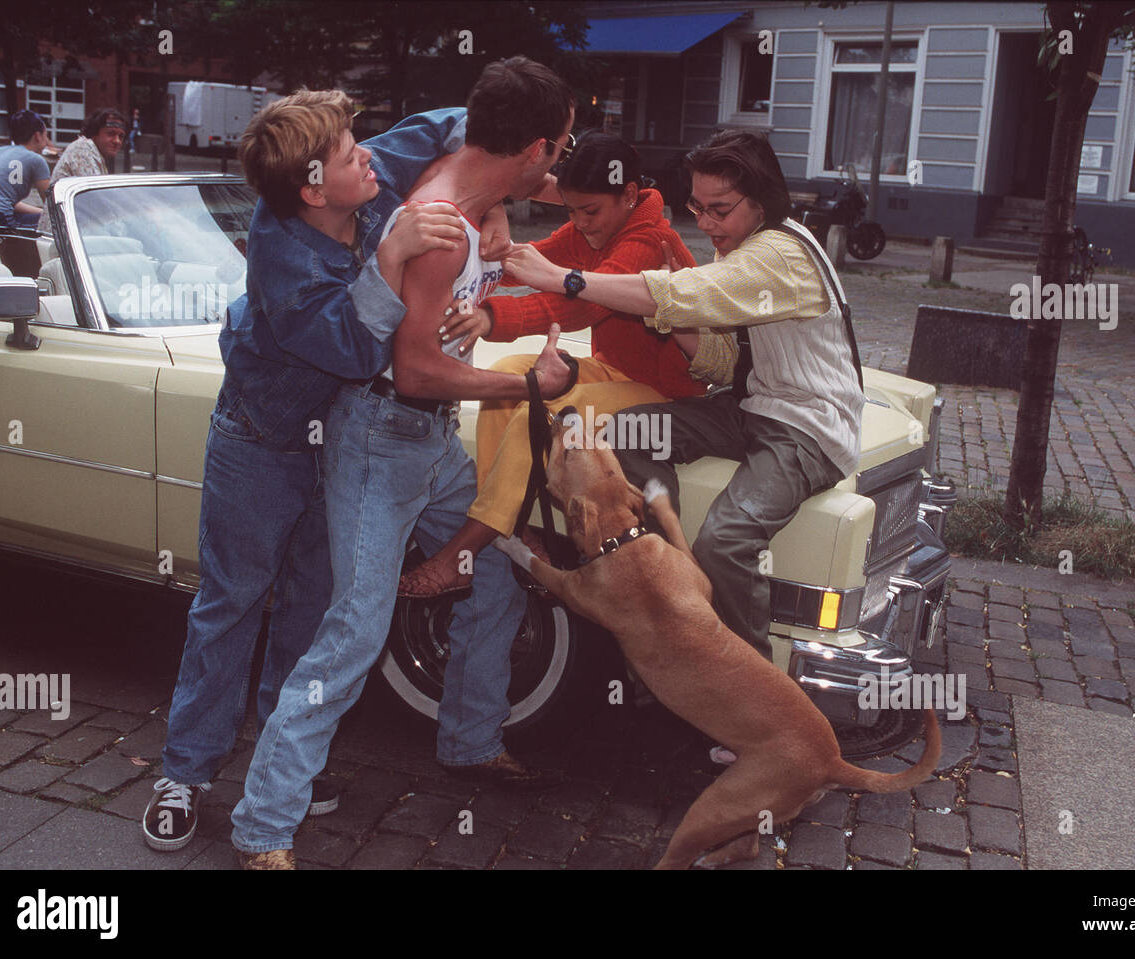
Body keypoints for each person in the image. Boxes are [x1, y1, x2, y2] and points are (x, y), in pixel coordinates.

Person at [229, 57, 577, 870]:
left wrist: (507, 218)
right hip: (383, 437)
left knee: (497, 555)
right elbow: (415, 369)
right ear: (530, 149)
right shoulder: (440, 220)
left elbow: (486, 132)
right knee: (353, 633)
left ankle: (468, 738)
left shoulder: (471, 179)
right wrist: (528, 383)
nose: (557, 168)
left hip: (425, 439)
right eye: (555, 151)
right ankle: (262, 826)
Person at [142, 89, 482, 854]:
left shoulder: (358, 174)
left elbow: (449, 124)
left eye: (361, 141)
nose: (370, 154)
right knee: (232, 604)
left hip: (342, 444)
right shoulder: (283, 256)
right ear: (311, 188)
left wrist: (496, 178)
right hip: (260, 443)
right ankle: (186, 774)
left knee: (310, 607)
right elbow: (358, 350)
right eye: (349, 152)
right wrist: (391, 254)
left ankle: (279, 762)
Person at [504, 129, 864, 656]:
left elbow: (678, 294)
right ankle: (658, 572)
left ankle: (744, 683)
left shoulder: (778, 254)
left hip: (808, 429)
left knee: (724, 542)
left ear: (760, 198)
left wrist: (567, 279)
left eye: (720, 209)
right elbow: (721, 364)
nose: (706, 223)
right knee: (625, 433)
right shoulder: (745, 252)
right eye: (697, 207)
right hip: (752, 410)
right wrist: (676, 320)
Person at [398, 130, 737, 595]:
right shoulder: (593, 226)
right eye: (572, 210)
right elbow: (529, 264)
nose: (580, 223)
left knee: (535, 408)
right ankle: (512, 522)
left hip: (665, 394)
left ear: (630, 195)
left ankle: (468, 547)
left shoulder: (647, 240)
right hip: (614, 372)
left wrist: (491, 315)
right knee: (503, 377)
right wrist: (471, 274)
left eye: (590, 211)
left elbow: (581, 304)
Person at [36, 108, 128, 232]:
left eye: (121, 136)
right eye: (110, 133)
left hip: (75, 231)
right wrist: (123, 232)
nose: (117, 141)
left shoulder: (96, 155)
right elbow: (99, 201)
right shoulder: (82, 148)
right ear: (95, 133)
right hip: (60, 237)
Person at [0, 110, 51, 228]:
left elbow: (3, 201)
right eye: (46, 135)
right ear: (37, 136)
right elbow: (50, 205)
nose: (47, 141)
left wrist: (40, 211)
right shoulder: (36, 160)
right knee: (54, 222)